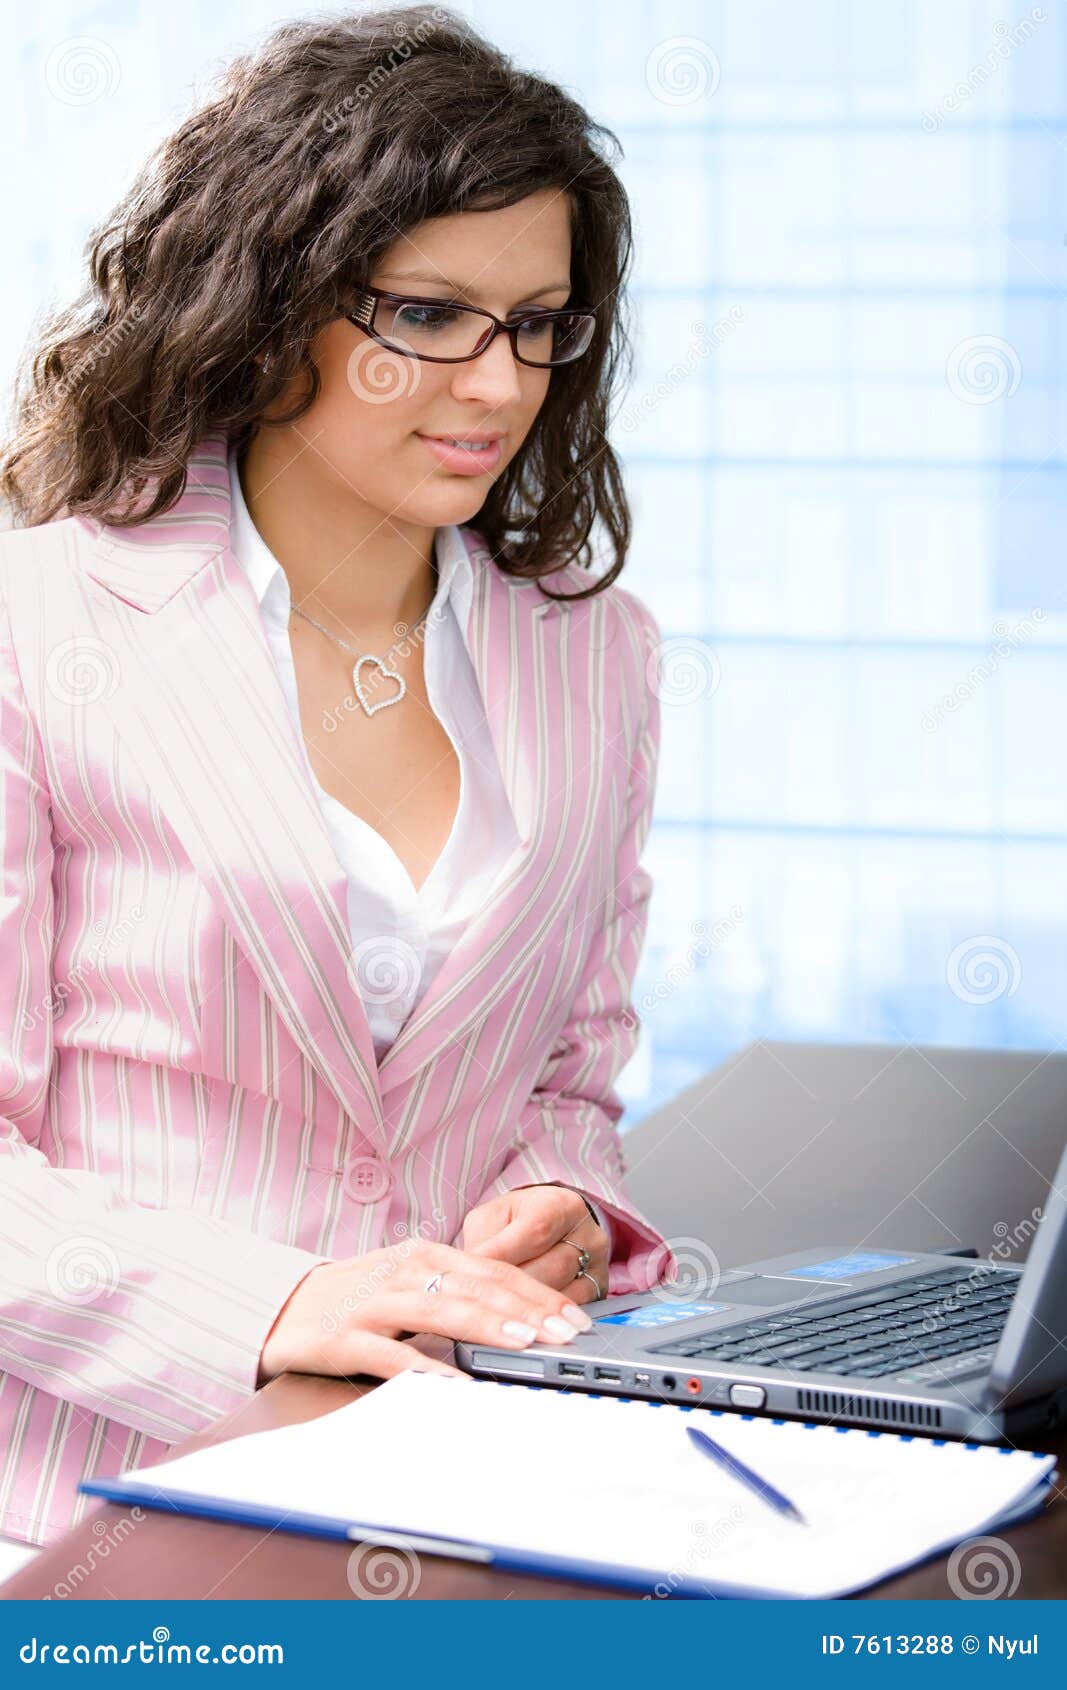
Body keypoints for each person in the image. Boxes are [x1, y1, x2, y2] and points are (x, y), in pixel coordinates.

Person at [0, 4, 676, 1571]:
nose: (499, 386)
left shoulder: (599, 655)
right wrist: (274, 1304)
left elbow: (569, 1075)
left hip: (462, 1480)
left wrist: (564, 1206)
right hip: (94, 1508)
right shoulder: (41, 630)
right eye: (431, 316)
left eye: (540, 323)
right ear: (273, 301)